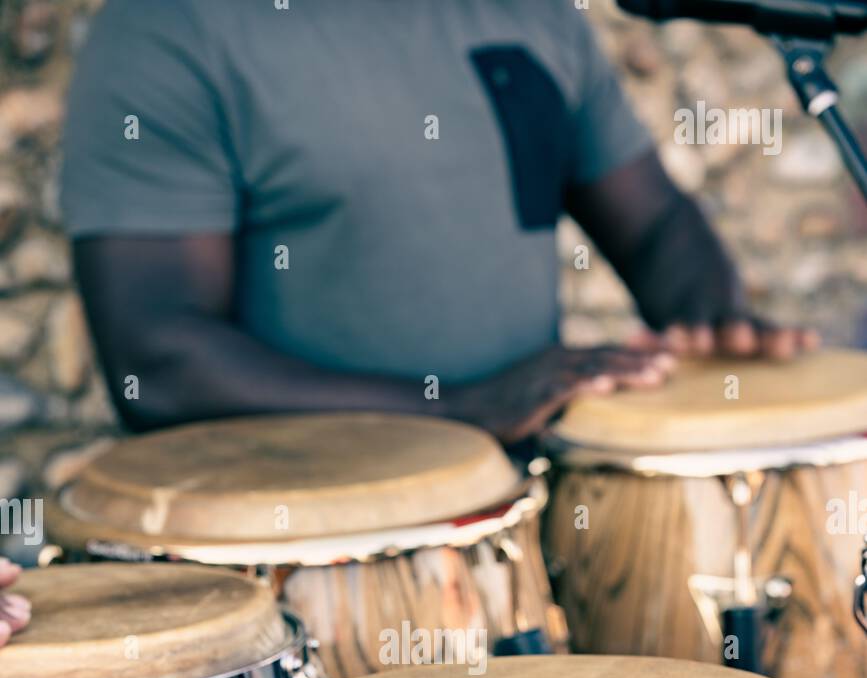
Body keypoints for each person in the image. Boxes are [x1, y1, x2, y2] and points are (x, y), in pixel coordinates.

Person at [59, 0, 816, 447]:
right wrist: (454, 406)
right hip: (301, 555)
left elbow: (651, 223)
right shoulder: (169, 29)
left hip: (523, 529)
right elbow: (155, 360)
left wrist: (710, 321)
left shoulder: (533, 12)